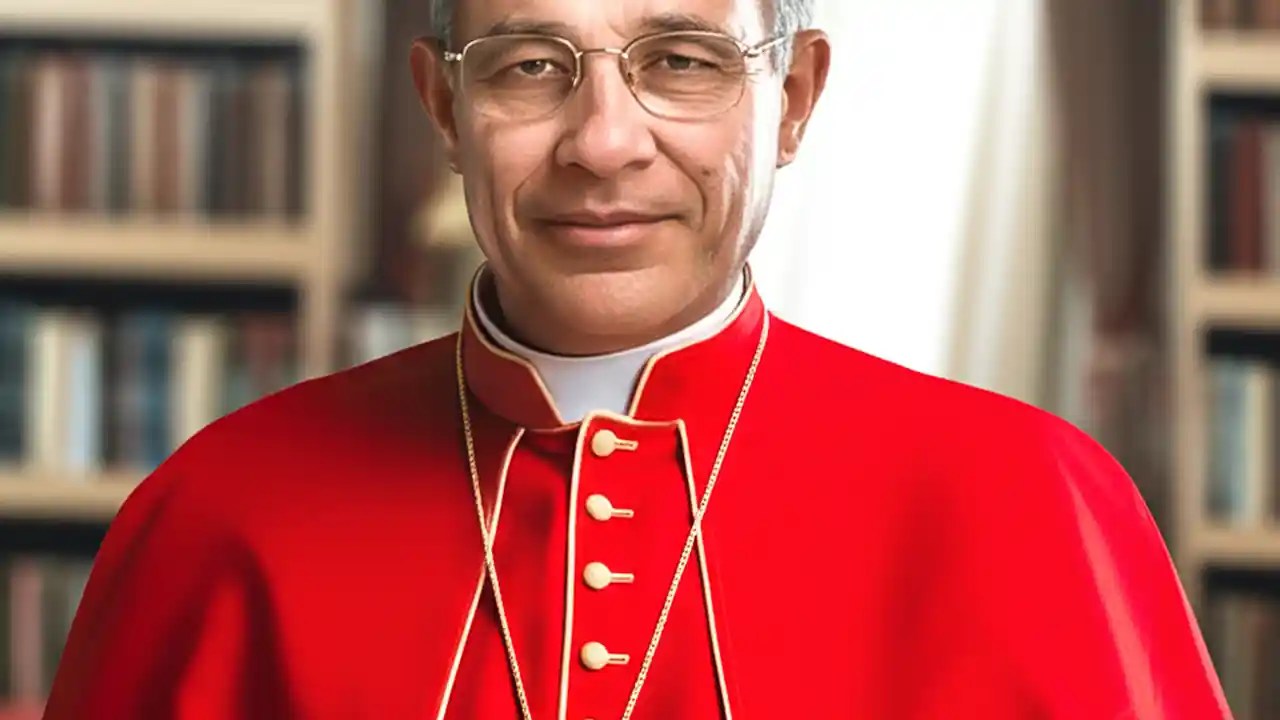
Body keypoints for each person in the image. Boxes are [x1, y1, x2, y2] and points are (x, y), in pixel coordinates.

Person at [46, 0, 1231, 718]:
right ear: (443, 107)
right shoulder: (219, 513)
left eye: (679, 59)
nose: (604, 144)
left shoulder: (1028, 502)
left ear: (793, 97)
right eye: (525, 65)